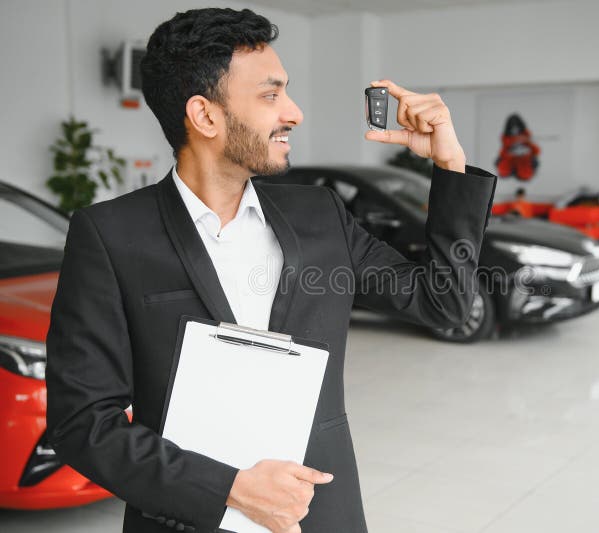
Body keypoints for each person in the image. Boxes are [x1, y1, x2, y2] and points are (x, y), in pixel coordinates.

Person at [45, 8, 496, 533]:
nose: (294, 113)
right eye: (270, 95)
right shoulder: (110, 235)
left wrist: (449, 166)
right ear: (205, 115)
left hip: (321, 515)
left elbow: (445, 303)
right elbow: (82, 424)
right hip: (184, 520)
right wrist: (229, 490)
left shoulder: (320, 215)